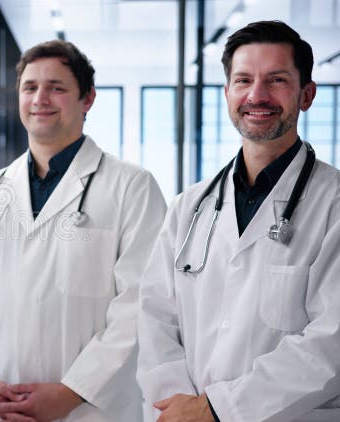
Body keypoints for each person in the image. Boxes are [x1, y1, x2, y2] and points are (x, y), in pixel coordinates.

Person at [0, 40, 167, 421]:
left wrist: (72, 392)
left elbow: (140, 305)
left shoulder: (131, 186)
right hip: (2, 405)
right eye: (30, 87)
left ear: (88, 99)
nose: (40, 98)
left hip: (92, 410)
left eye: (57, 87)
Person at [137, 20, 340, 421]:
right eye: (243, 80)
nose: (257, 95)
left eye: (277, 80)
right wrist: (181, 406)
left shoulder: (333, 203)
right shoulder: (188, 208)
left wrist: (217, 410)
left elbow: (330, 341)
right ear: (228, 92)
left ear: (307, 94)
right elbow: (155, 316)